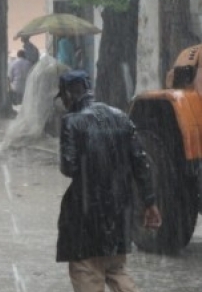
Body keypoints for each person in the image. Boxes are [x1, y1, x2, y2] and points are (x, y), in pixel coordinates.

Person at [55, 70, 162, 292]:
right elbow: (141, 163)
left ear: (68, 94)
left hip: (85, 218)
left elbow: (69, 167)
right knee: (116, 270)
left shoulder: (71, 122)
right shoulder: (121, 117)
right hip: (118, 212)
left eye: (63, 97)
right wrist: (150, 202)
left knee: (87, 271)